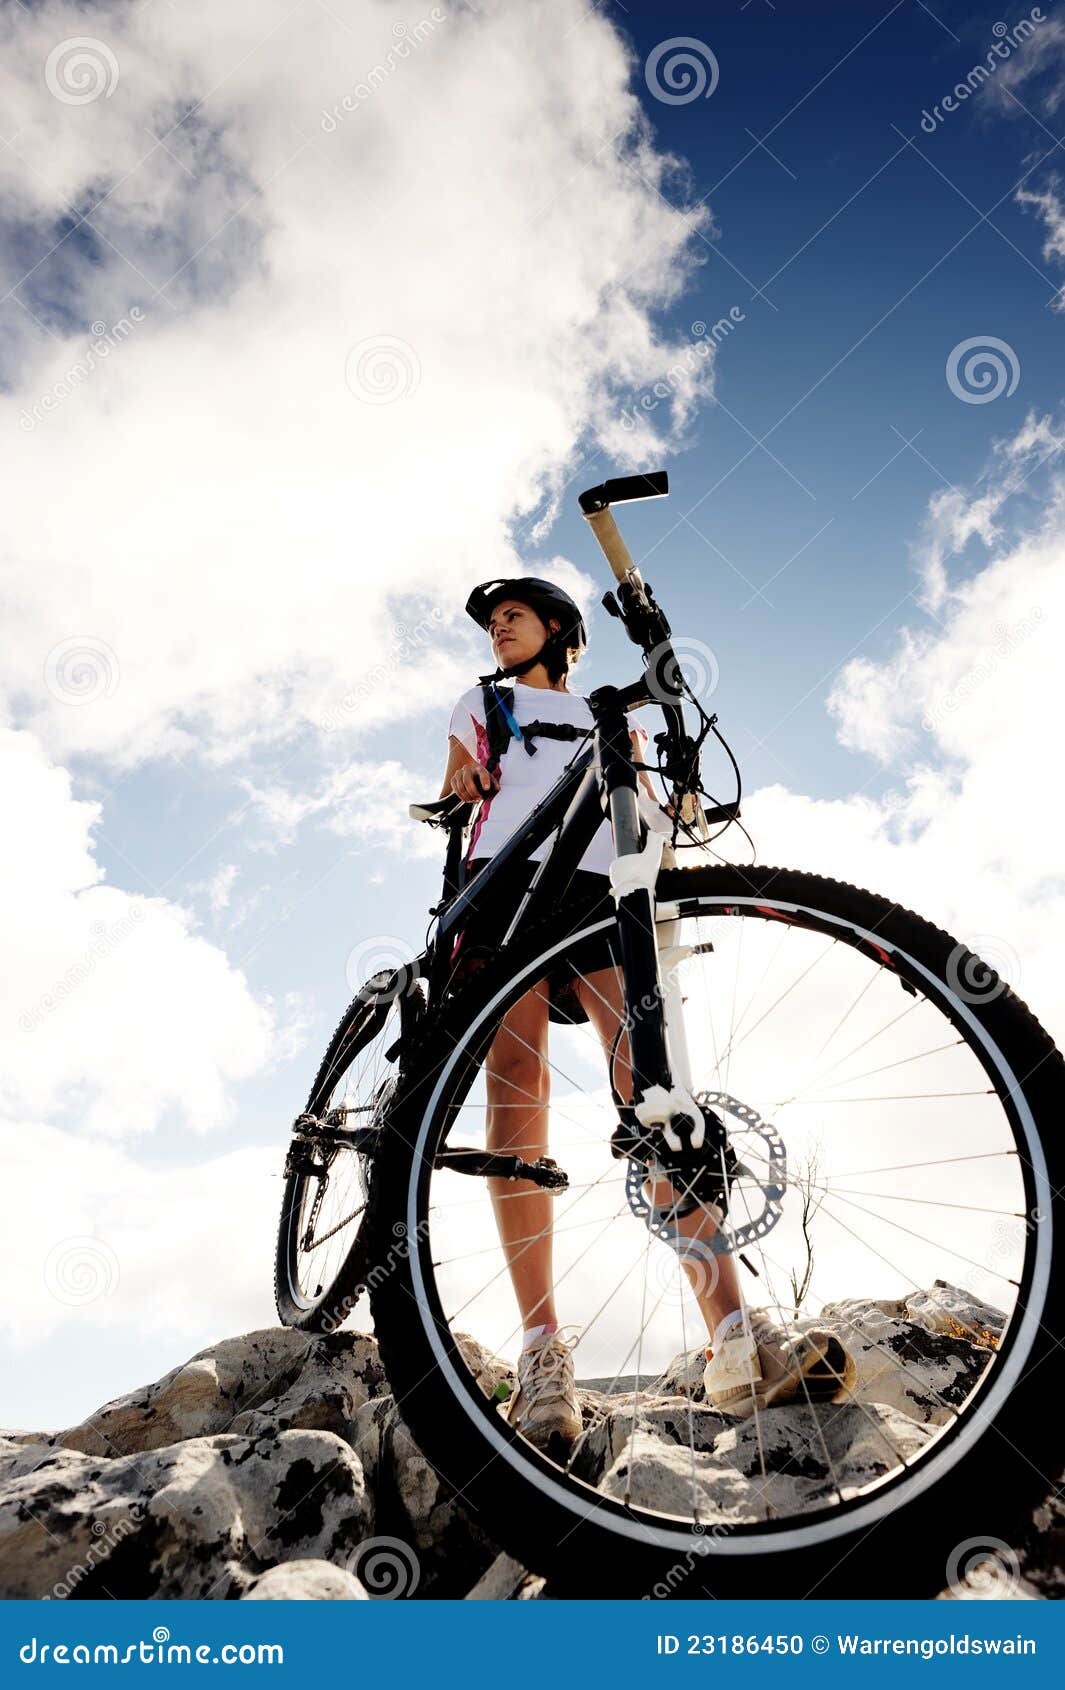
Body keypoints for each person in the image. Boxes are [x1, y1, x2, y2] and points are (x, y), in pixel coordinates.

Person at [441, 577, 851, 1450]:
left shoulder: (603, 712)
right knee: (517, 1084)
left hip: (602, 885)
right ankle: (543, 1350)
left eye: (511, 617)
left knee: (651, 1090)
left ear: (559, 629)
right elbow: (457, 781)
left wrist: (682, 808)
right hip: (504, 881)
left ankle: (736, 1339)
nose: (496, 631)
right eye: (490, 624)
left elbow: (648, 803)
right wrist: (468, 777)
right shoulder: (481, 701)